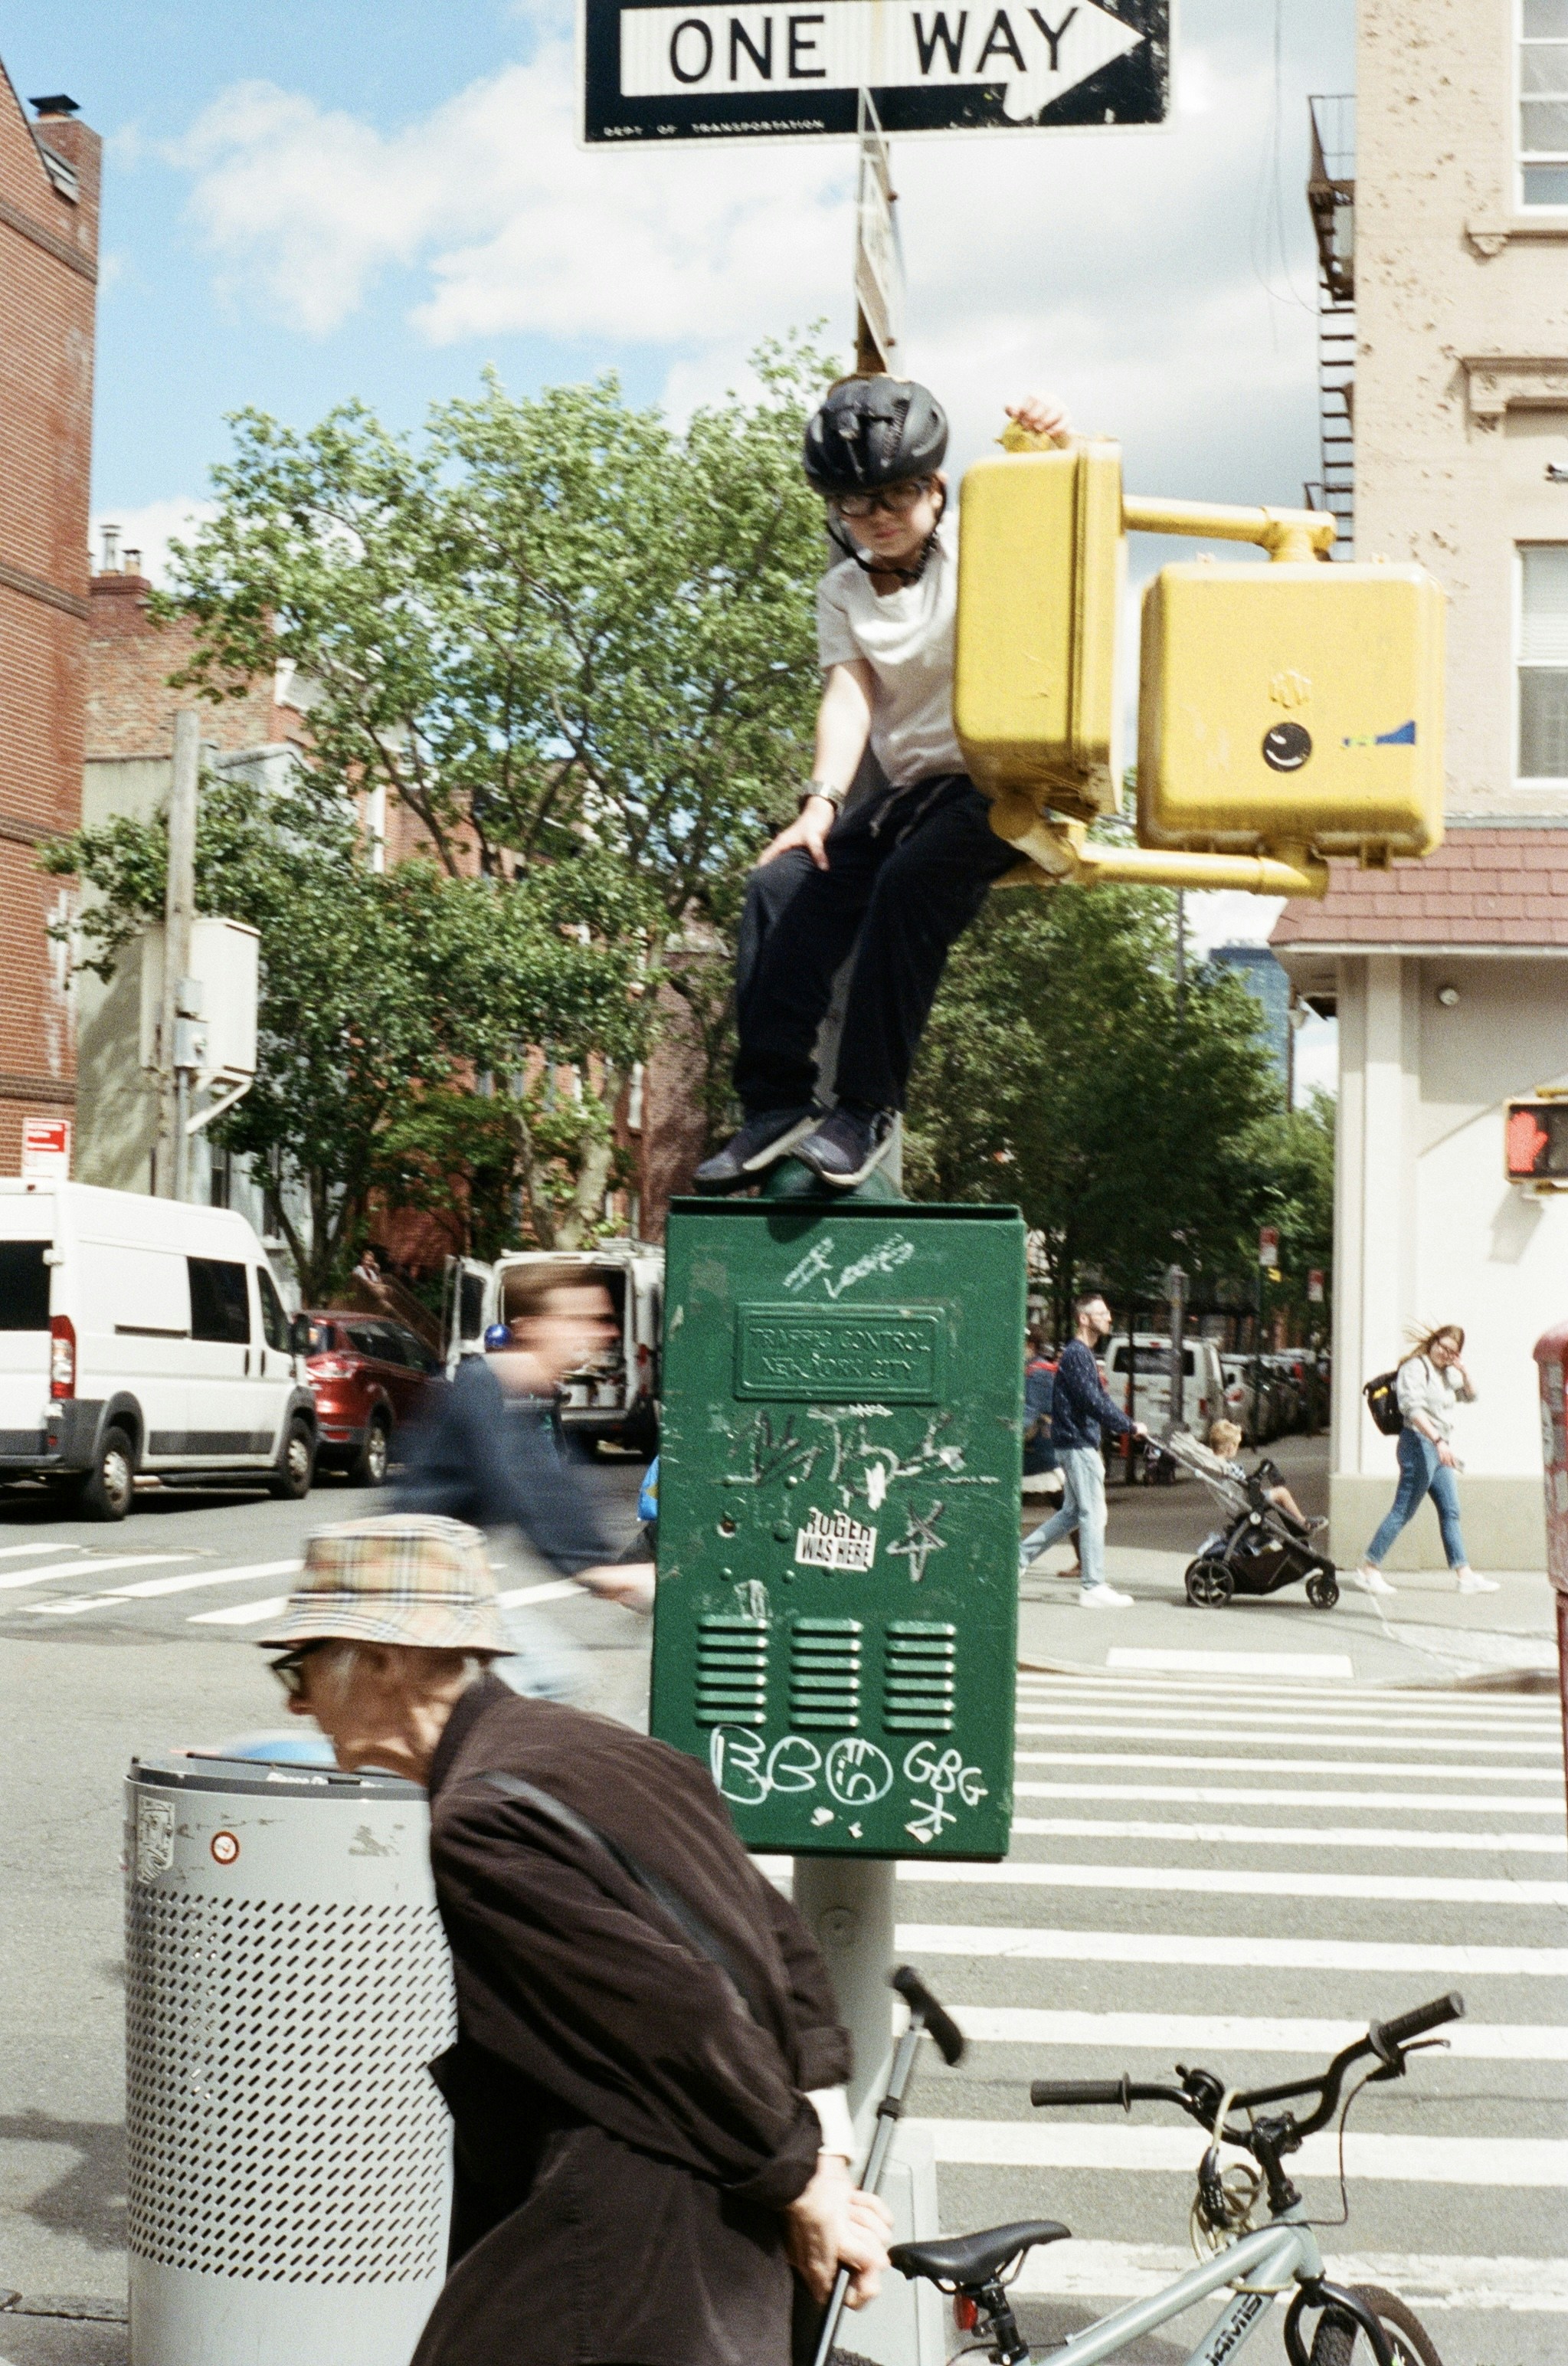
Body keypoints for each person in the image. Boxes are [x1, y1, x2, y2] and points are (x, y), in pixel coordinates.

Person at [257, 1518, 891, 2366]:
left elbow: (679, 2015)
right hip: (710, 2246)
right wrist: (824, 2162)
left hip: (626, 2260)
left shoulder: (479, 1820)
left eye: (300, 1668)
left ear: (383, 1658)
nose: (295, 1702)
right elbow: (785, 1949)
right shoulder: (599, 1748)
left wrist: (805, 2179)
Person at [695, 375, 1069, 1194]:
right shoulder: (843, 590)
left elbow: (1063, 528)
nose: (877, 519)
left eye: (896, 496)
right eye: (855, 506)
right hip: (915, 793)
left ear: (934, 489)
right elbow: (850, 693)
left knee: (906, 884)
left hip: (1004, 782)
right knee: (780, 882)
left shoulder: (985, 548)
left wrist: (1054, 443)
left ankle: (863, 1107)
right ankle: (774, 1105)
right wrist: (820, 805)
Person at [395, 1264, 653, 1623]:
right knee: (545, 1678)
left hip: (444, 1581)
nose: (606, 1331)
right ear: (533, 1326)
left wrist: (599, 1561)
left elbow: (556, 1483)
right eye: (584, 1319)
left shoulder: (529, 1391)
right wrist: (594, 1568)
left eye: (605, 1320)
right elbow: (525, 1481)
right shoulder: (485, 1384)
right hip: (405, 1585)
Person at [1019, 1292, 1147, 1608]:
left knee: (1072, 1513)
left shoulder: (1080, 1354)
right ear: (1084, 1319)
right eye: (1101, 1313)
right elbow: (1093, 1401)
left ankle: (1018, 1559)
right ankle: (1093, 1586)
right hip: (1078, 1444)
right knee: (1093, 1513)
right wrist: (1129, 1426)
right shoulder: (1078, 1354)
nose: (1109, 1318)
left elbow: (1094, 1400)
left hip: (1073, 1442)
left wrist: (1123, 1423)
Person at [1354, 1325, 1496, 1596]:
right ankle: (1368, 1569)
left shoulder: (1444, 1374)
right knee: (1403, 1510)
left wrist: (1463, 1371)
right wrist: (1438, 1441)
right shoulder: (1416, 1368)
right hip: (1419, 1444)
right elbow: (1412, 1408)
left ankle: (1464, 1574)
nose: (1444, 1353)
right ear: (1432, 1342)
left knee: (1451, 1511)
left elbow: (1471, 1395)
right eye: (1442, 1346)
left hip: (1439, 1449)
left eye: (1451, 1351)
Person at [1206, 1420, 1320, 1532]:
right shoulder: (1228, 1468)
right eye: (1237, 1446)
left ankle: (1295, 1527)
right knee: (1282, 1493)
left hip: (1235, 1505)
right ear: (1230, 1447)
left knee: (1276, 1494)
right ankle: (1302, 1522)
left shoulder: (1213, 1465)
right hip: (1247, 1502)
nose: (1238, 1449)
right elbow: (1244, 1483)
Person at [1021, 1332, 1060, 1500]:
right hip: (1040, 1438)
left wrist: (1015, 1432)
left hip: (1040, 1438)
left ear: (1030, 1346)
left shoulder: (1039, 1371)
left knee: (1057, 1489)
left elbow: (1031, 1408)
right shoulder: (1033, 1368)